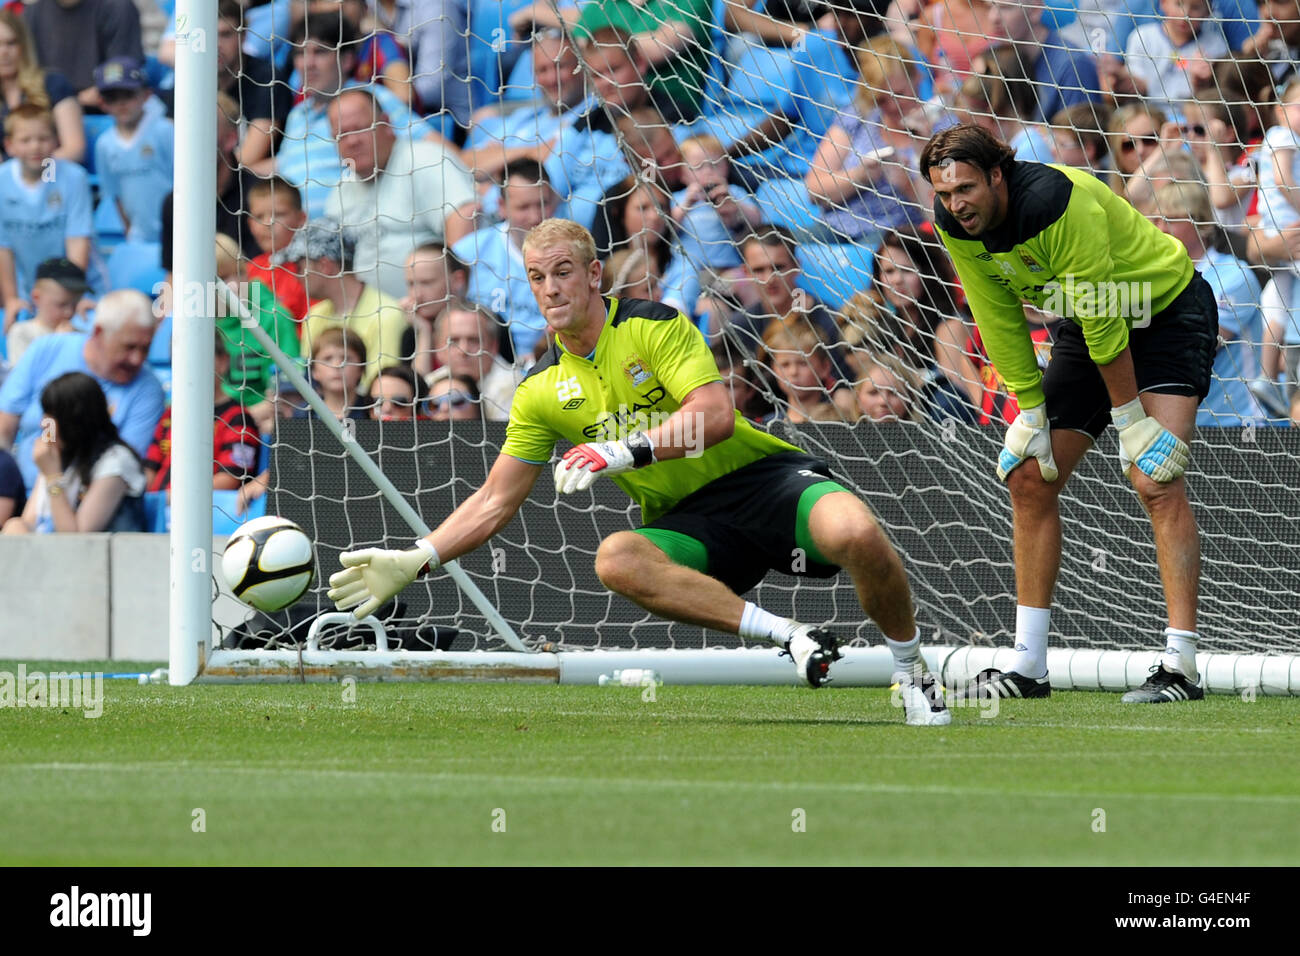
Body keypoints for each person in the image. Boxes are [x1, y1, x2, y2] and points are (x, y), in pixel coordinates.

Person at [326, 217, 952, 726]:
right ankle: (790, 637)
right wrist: (416, 558)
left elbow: (715, 417)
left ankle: (910, 672)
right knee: (615, 559)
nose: (550, 289)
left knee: (859, 535)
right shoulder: (540, 388)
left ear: (595, 274)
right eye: (537, 277)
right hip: (693, 525)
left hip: (762, 482)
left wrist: (622, 451)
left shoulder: (652, 323)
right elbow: (495, 500)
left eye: (564, 272)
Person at [921, 124, 1218, 704]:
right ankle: (1028, 666)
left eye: (966, 188)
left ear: (997, 175)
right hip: (1086, 323)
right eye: (944, 191)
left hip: (1163, 312)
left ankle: (1181, 667)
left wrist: (1131, 421)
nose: (956, 203)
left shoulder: (1057, 201)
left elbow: (1105, 313)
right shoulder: (953, 222)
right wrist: (1030, 410)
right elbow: (995, 312)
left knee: (1154, 478)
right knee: (1028, 474)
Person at [0, 288, 162, 492]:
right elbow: (4, 429)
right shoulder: (46, 349)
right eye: (129, 347)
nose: (137, 359)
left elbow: (119, 472)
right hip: (18, 493)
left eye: (145, 348)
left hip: (85, 505)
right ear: (98, 333)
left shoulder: (148, 389)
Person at [325, 86, 476, 300]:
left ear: (386, 124)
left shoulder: (424, 160)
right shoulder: (340, 192)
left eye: (359, 129)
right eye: (342, 134)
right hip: (366, 322)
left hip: (433, 311)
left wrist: (449, 301)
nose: (352, 141)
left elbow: (464, 217)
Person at [1148, 181, 1267, 426]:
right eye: (1156, 220)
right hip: (1181, 420)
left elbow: (1197, 346)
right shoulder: (1152, 277)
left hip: (1239, 422)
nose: (1160, 228)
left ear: (1201, 223)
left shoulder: (1233, 274)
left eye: (1170, 219)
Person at [1, 370, 146, 534]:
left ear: (74, 420)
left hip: (99, 556)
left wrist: (52, 476)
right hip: (49, 554)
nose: (43, 424)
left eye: (51, 416)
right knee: (15, 526)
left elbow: (76, 539)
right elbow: (30, 522)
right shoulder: (59, 458)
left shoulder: (117, 461)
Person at [278, 216, 409, 391]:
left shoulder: (387, 314)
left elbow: (381, 391)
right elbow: (309, 384)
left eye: (300, 268)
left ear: (325, 266)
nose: (296, 276)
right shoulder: (315, 315)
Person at [452, 159, 559, 362]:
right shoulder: (469, 252)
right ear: (502, 206)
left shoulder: (572, 253)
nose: (535, 216)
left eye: (542, 204)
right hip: (481, 366)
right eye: (523, 207)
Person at [0, 104, 92, 330]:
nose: (35, 146)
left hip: (77, 289)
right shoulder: (2, 181)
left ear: (56, 141)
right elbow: (3, 247)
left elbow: (77, 241)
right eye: (26, 139)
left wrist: (70, 299)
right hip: (31, 292)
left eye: (43, 138)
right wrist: (11, 299)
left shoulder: (73, 178)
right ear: (9, 145)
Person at [144, 333, 261, 495]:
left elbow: (230, 478)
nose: (188, 367)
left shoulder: (237, 417)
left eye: (197, 358)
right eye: (179, 360)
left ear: (223, 361)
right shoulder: (171, 413)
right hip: (158, 511)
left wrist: (173, 499)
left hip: (205, 513)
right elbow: (150, 467)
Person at [92, 57, 173, 244]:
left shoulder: (165, 131)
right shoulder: (104, 144)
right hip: (139, 237)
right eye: (112, 98)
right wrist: (129, 231)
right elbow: (115, 195)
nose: (121, 104)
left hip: (176, 232)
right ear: (102, 103)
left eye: (128, 95)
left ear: (146, 95)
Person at [22, 0, 143, 111]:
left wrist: (94, 93)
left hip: (104, 107)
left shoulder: (116, 6)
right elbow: (27, 72)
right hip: (48, 109)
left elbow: (123, 72)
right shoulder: (33, 13)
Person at [0, 8, 84, 164]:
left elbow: (74, 149)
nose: (4, 52)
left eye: (11, 43)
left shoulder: (54, 83)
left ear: (23, 45)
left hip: (53, 177)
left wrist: (37, 176)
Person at [427, 298, 523, 421]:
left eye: (473, 340)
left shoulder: (514, 388)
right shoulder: (430, 383)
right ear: (438, 347)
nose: (463, 350)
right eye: (453, 341)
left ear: (493, 346)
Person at [4, 256, 85, 365]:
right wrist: (59, 343)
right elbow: (25, 377)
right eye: (61, 304)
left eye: (75, 305)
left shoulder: (80, 336)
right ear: (36, 297)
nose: (69, 312)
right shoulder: (22, 332)